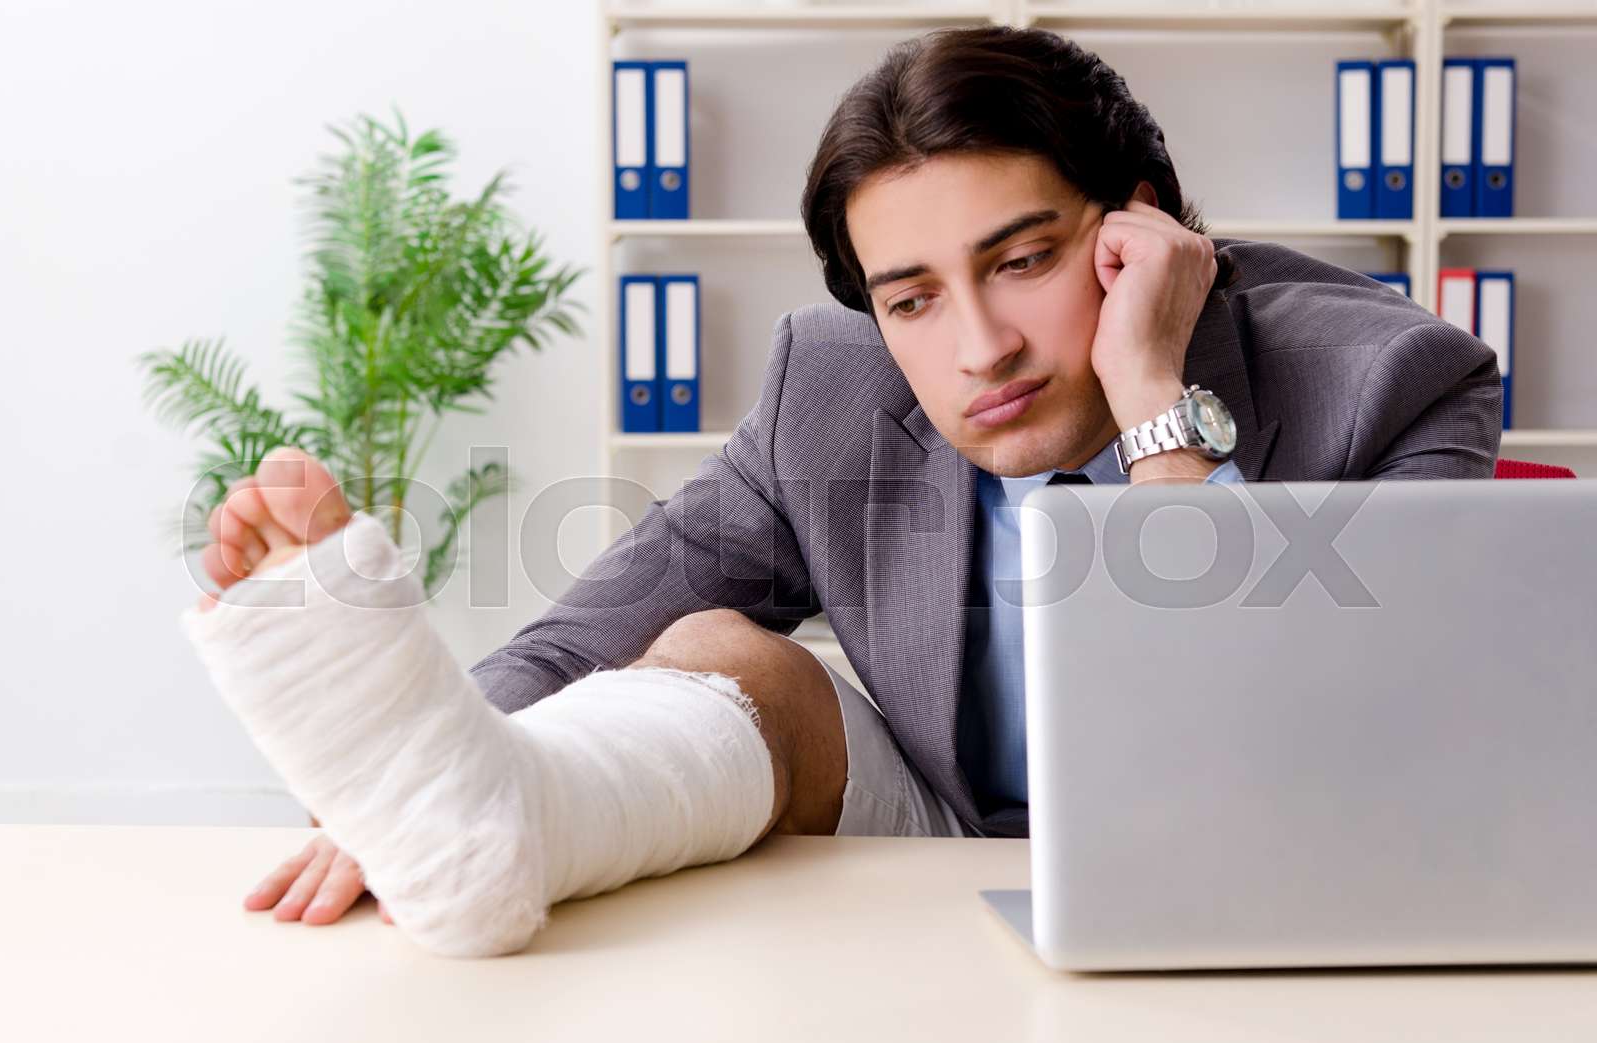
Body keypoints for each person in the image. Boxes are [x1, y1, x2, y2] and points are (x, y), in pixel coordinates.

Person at [194, 26, 1501, 952]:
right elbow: (582, 632)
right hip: (948, 857)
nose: (977, 346)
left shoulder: (1392, 382)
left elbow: (1329, 756)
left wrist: (1155, 395)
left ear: (1139, 230)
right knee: (714, 646)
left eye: (1024, 258)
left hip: (1260, 866)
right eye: (912, 298)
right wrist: (415, 774)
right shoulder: (831, 382)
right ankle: (502, 819)